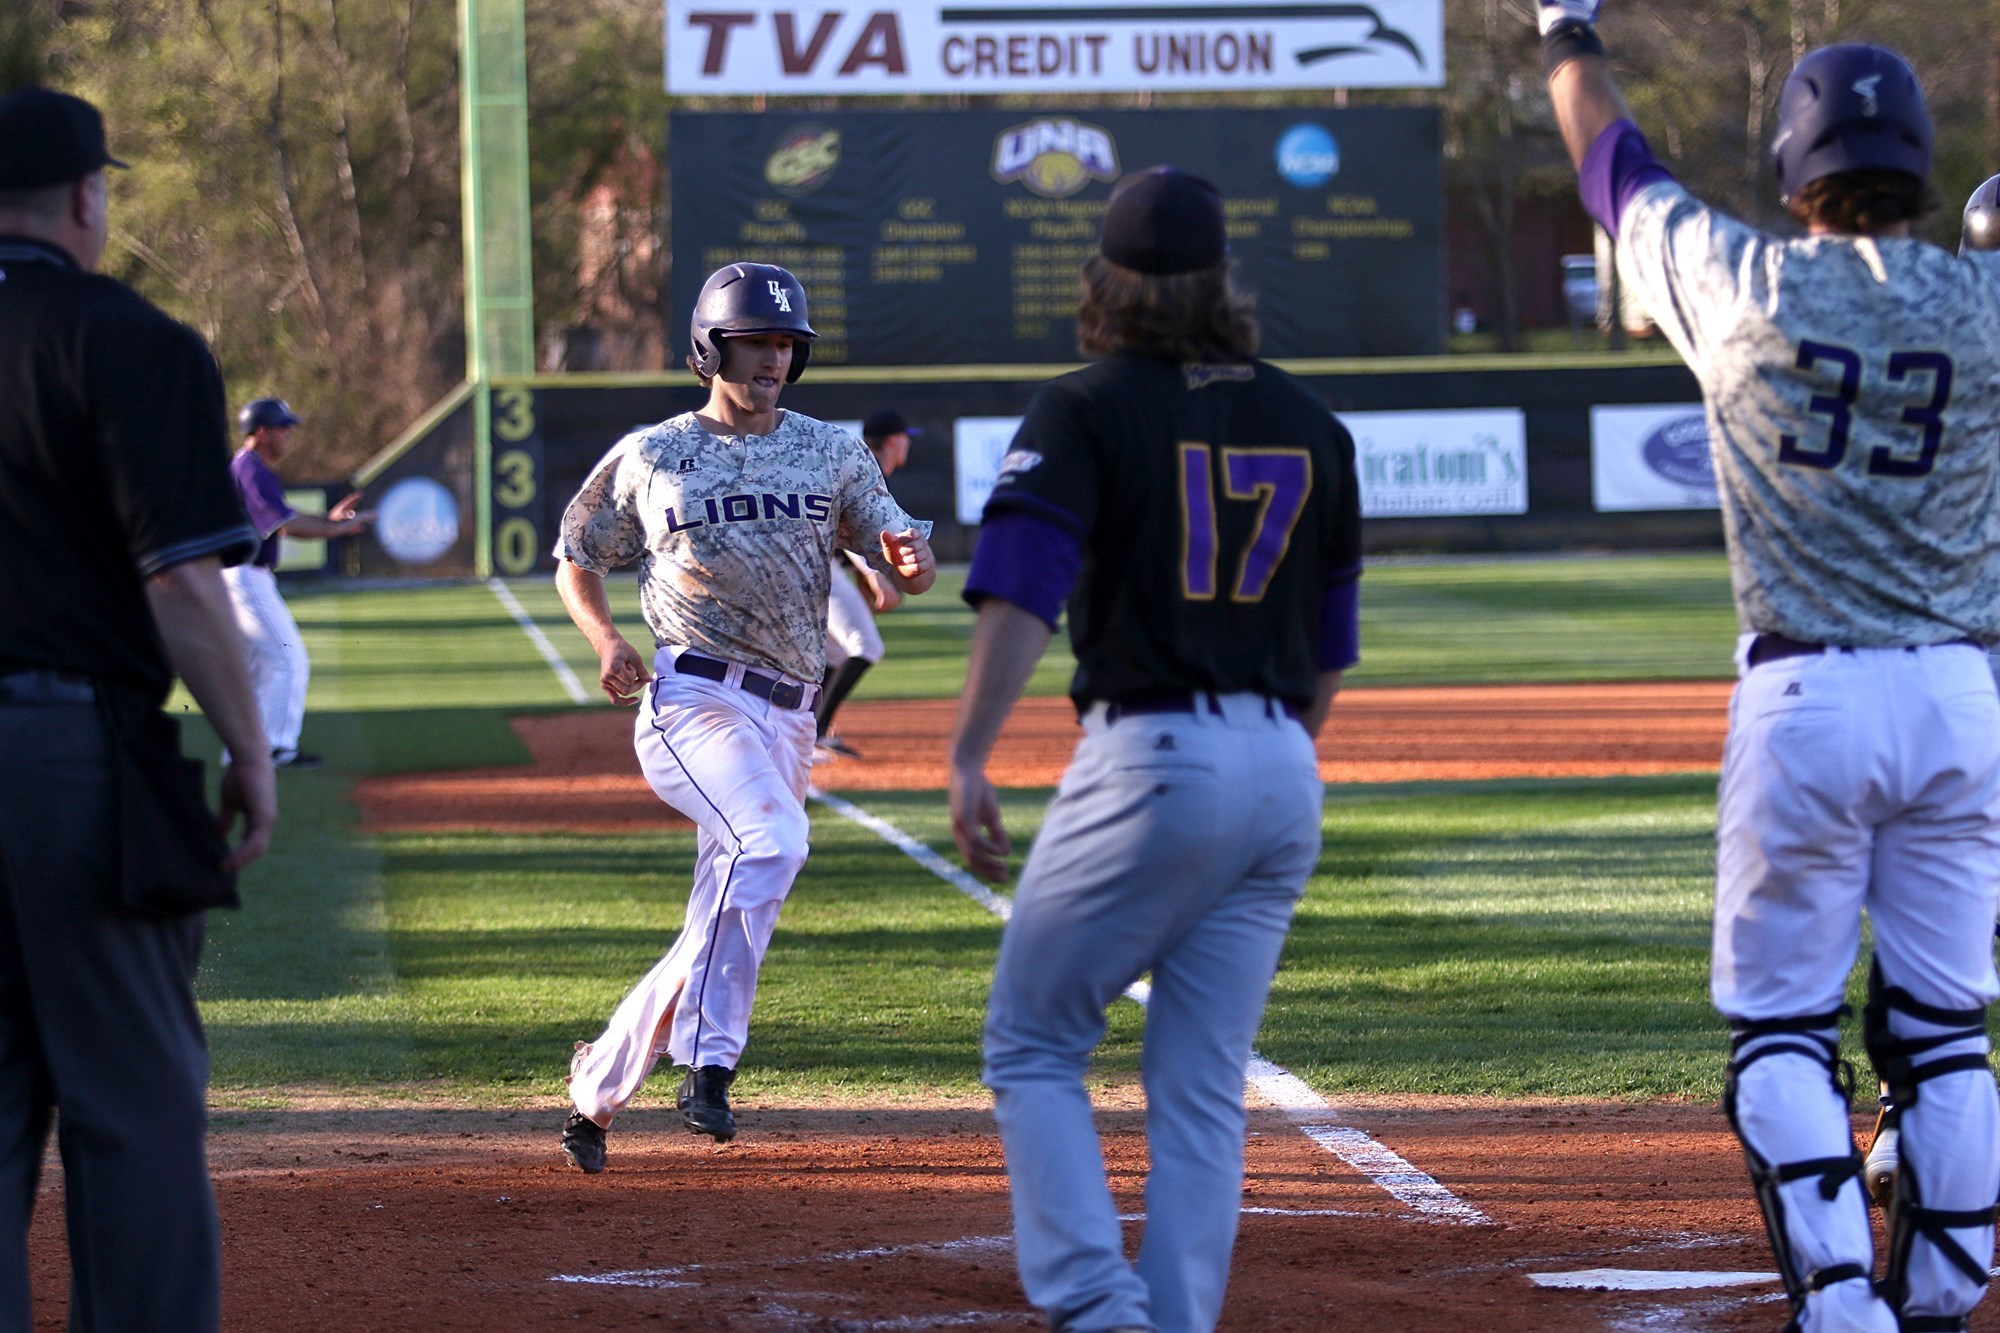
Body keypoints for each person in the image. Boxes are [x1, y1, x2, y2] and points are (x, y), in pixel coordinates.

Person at [1538, 11, 2000, 1330]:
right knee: (1947, 1032)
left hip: (1805, 695)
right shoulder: (1986, 302)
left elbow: (1610, 162)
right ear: (1919, 164)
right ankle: (1944, 1293)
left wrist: (1567, 30)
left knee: (1785, 1031)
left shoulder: (1740, 278)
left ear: (1793, 164)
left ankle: (1843, 1299)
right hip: (1962, 697)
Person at [947, 167, 1362, 1333]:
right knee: (1197, 1091)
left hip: (1149, 753)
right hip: (1283, 765)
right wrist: (1262, 765)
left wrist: (969, 749)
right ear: (1224, 280)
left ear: (1104, 282)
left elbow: (1022, 587)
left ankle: (1095, 1311)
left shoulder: (1082, 407)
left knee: (1032, 1043)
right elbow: (1329, 652)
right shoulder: (1311, 423)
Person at [555, 262, 937, 1172]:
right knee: (773, 843)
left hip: (790, 712)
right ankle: (711, 1063)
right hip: (693, 699)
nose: (770, 357)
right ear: (709, 347)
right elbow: (578, 553)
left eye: (783, 344)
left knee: (732, 898)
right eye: (752, 341)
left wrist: (910, 563)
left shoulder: (829, 449)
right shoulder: (655, 454)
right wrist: (606, 640)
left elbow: (898, 550)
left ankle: (597, 1089)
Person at [0, 86, 277, 1329]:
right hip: (64, 757)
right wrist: (246, 747)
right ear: (84, 196)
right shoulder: (129, 339)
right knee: (132, 1107)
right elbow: (179, 582)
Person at [224, 397, 373, 770]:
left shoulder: (250, 468)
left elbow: (286, 517)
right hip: (244, 577)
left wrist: (327, 519)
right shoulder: (251, 470)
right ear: (261, 432)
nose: (288, 434)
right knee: (289, 660)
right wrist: (336, 528)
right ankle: (276, 748)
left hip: (240, 576)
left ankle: (243, 752)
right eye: (282, 427)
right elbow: (285, 525)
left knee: (263, 669)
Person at [814, 407, 918, 759]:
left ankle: (813, 731)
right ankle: (815, 733)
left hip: (818, 562)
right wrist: (876, 579)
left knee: (836, 652)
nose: (908, 446)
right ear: (894, 441)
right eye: (906, 439)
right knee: (865, 645)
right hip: (820, 563)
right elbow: (851, 525)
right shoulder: (866, 469)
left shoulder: (861, 464)